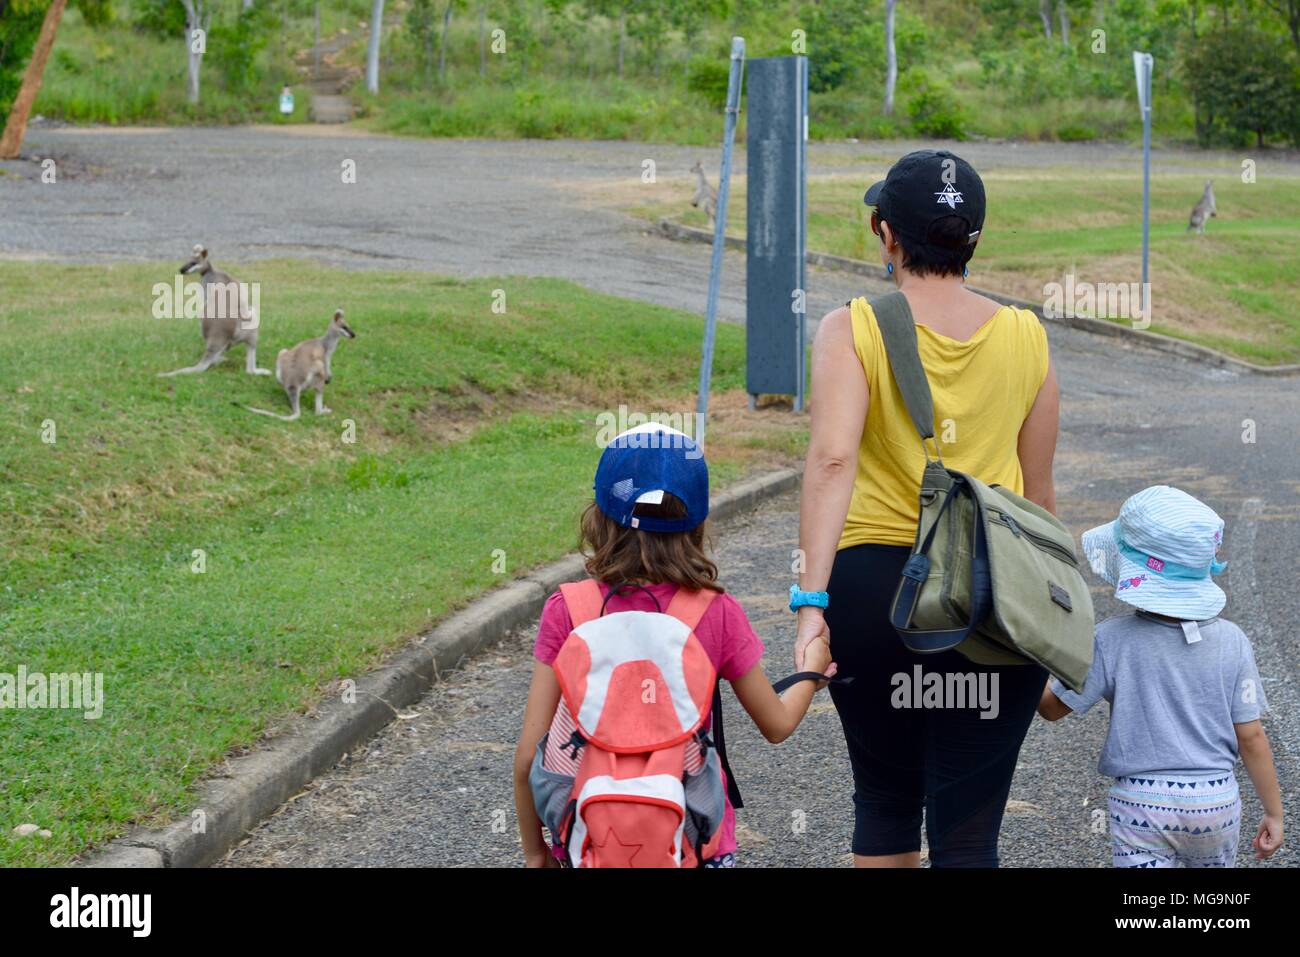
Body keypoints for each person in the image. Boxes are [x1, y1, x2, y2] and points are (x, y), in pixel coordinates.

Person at [792, 149, 1061, 867]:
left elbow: (831, 461)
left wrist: (811, 603)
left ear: (886, 235)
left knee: (883, 804)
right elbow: (1039, 500)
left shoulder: (850, 328)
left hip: (877, 595)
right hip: (994, 598)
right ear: (972, 238)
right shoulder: (1028, 337)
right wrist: (1054, 630)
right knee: (970, 834)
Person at [513, 423, 835, 867]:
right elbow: (776, 724)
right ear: (698, 523)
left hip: (590, 839)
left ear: (599, 516)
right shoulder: (715, 612)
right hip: (695, 841)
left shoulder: (567, 609)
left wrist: (535, 853)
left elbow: (530, 754)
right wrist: (812, 670)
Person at [1037, 486, 1283, 867]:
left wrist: (1036, 642)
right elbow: (1250, 737)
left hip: (1140, 804)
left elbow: (1051, 709)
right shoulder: (1233, 642)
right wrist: (1274, 813)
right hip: (1214, 802)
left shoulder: (1110, 639)